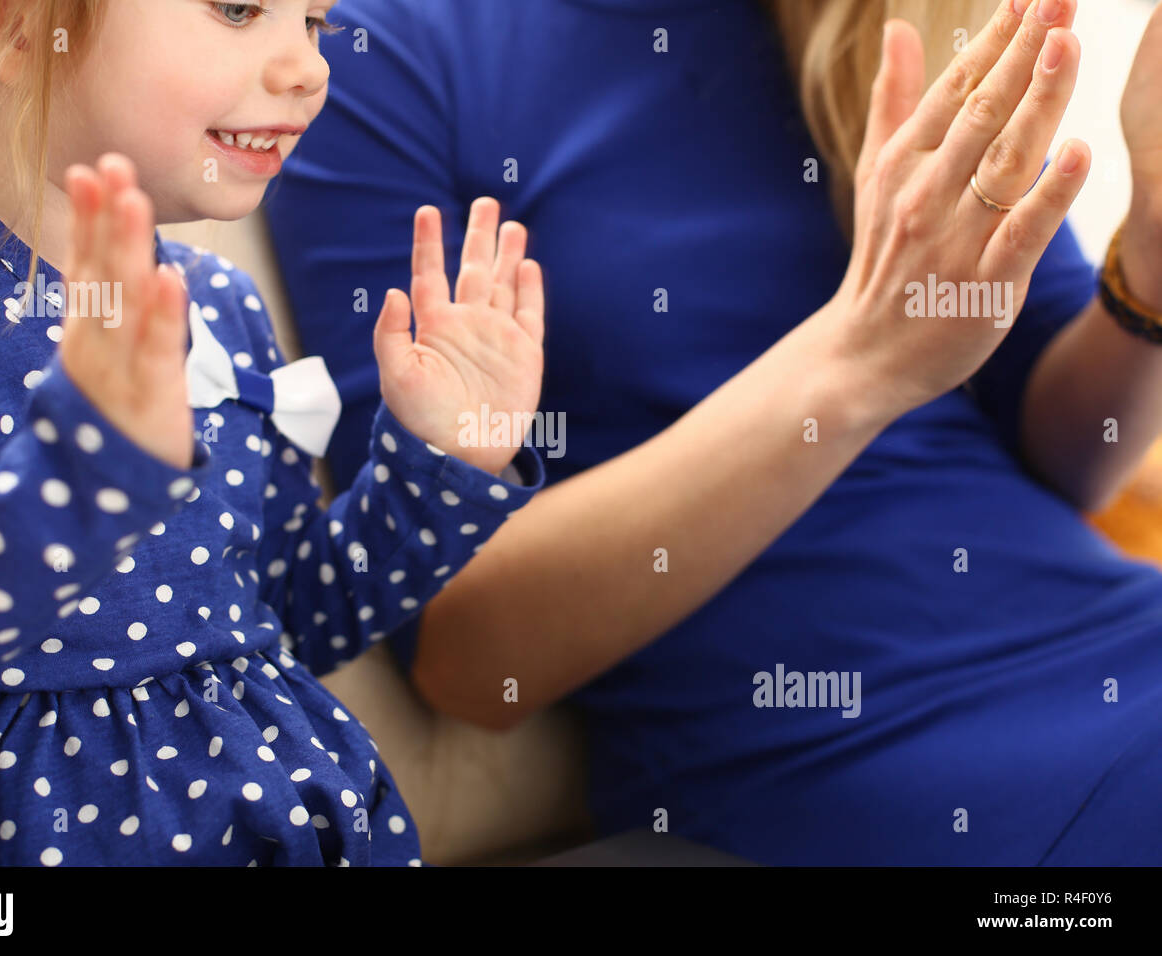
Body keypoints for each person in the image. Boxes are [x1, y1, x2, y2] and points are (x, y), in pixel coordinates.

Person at [268, 0, 1162, 864]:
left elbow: (1069, 459)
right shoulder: (379, 54)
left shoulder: (883, 22)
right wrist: (858, 359)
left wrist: (1153, 250)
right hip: (868, 751)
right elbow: (463, 653)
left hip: (1115, 636)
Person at [0, 0, 547, 865]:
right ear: (5, 21)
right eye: (238, 9)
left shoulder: (221, 307)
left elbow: (294, 619)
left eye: (315, 24)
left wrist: (443, 465)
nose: (310, 68)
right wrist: (74, 485)